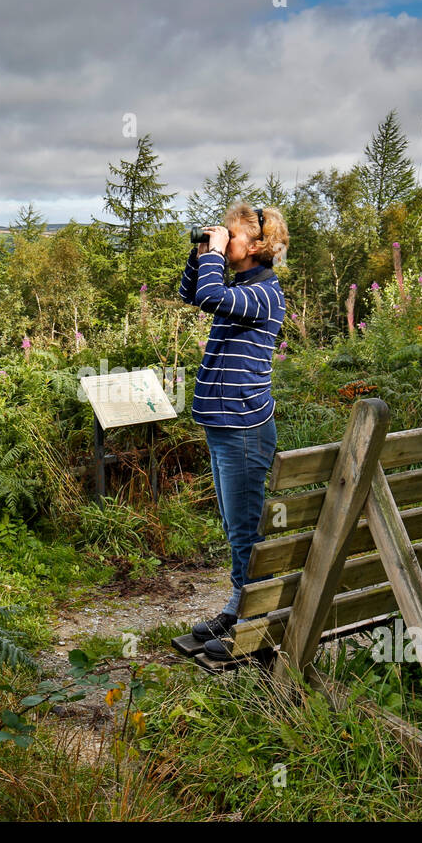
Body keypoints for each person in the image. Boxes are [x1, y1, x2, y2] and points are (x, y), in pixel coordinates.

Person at [178, 202, 288, 660]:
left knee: (244, 531)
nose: (223, 240)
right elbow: (190, 292)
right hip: (224, 425)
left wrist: (212, 256)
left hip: (244, 429)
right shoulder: (240, 284)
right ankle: (238, 606)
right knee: (232, 524)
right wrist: (202, 251)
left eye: (230, 235)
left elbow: (207, 296)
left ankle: (253, 626)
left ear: (258, 245)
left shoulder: (264, 293)